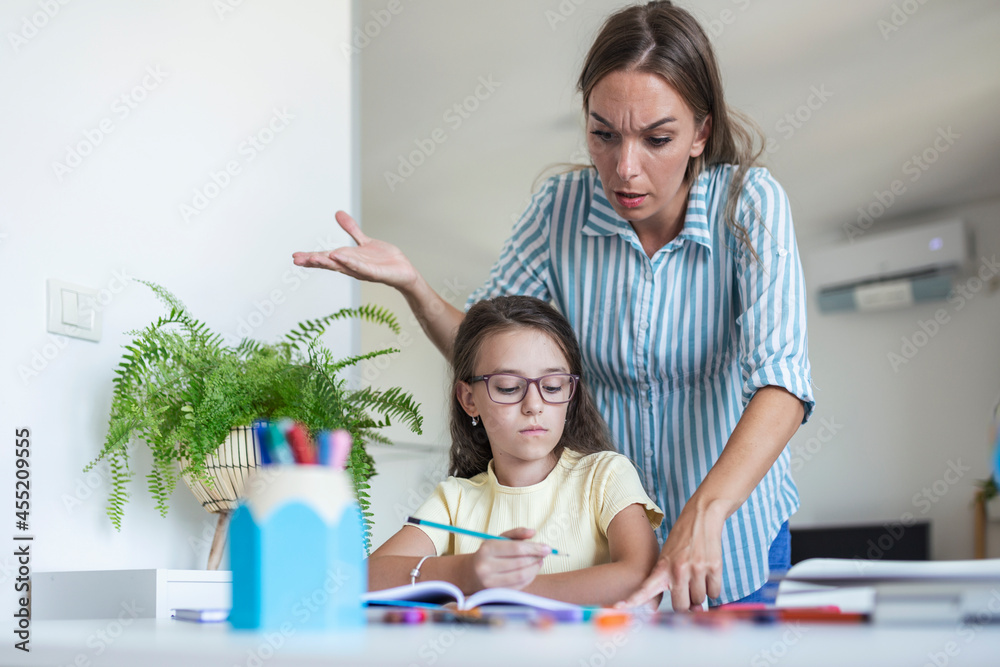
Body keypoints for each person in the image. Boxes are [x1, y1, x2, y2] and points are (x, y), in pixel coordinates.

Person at [295, 1, 814, 609]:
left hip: (731, 537)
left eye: (658, 138)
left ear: (701, 132)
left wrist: (706, 509)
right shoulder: (560, 210)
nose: (625, 168)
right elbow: (491, 354)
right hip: (601, 550)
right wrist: (413, 284)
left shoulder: (749, 205)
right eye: (603, 133)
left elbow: (781, 382)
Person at [366, 295, 664, 606]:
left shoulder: (605, 476)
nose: (534, 405)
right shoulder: (454, 500)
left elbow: (643, 580)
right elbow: (365, 579)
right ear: (469, 400)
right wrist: (465, 571)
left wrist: (498, 592)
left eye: (552, 386)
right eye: (508, 387)